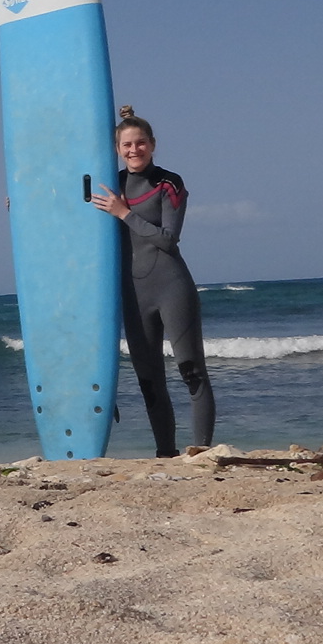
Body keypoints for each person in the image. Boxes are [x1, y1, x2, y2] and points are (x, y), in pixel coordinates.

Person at [90, 107, 217, 457]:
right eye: (127, 145)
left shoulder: (168, 183)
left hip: (171, 287)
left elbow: (168, 239)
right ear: (117, 149)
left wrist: (124, 213)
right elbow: (64, 214)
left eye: (141, 143)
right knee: (148, 380)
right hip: (133, 294)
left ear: (153, 144)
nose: (134, 150)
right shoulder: (111, 187)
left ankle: (202, 451)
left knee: (191, 371)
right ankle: (166, 453)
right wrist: (19, 205)